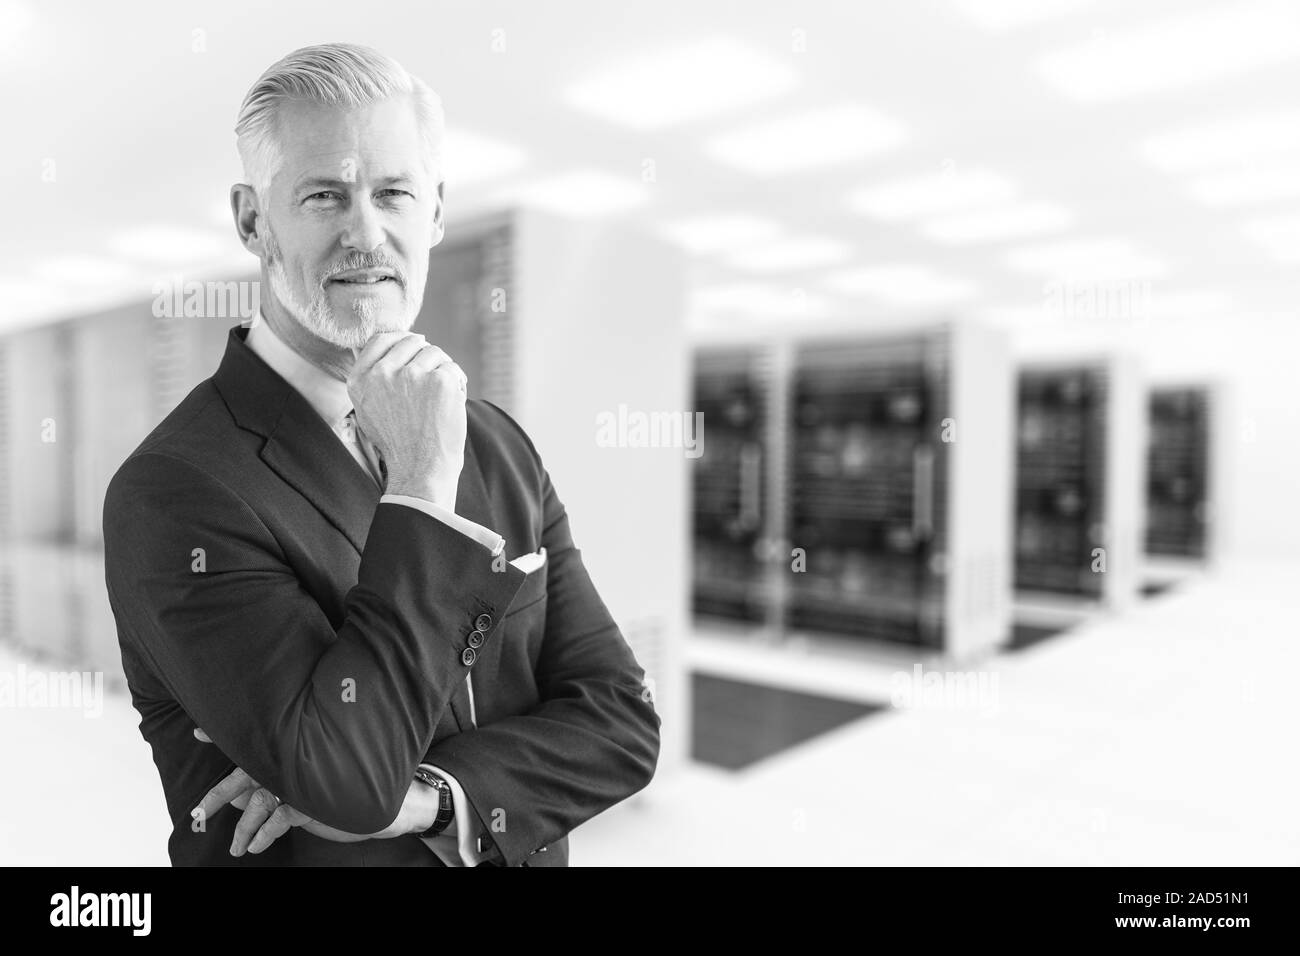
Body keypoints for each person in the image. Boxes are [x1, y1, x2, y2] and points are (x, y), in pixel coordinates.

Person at [102, 42, 660, 867]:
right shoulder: (176, 489)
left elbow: (622, 720)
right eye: (324, 195)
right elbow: (346, 778)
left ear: (434, 210)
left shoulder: (499, 441)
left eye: (393, 193)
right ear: (253, 220)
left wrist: (432, 801)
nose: (367, 234)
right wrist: (423, 492)